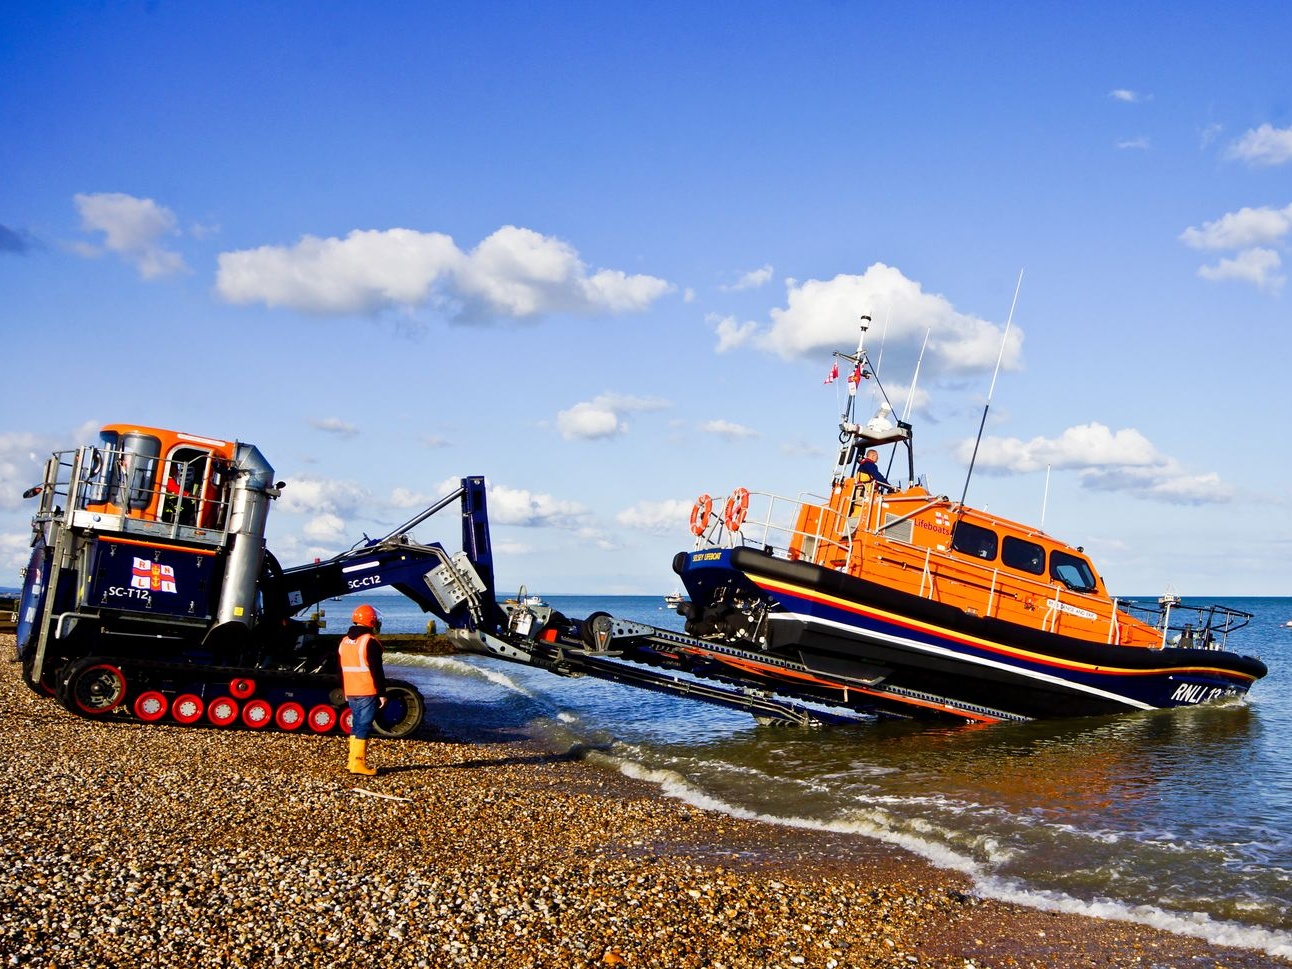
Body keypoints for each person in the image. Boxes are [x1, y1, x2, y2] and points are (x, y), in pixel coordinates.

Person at [338, 603, 387, 776]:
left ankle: (352, 761)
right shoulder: (369, 642)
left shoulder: (345, 641)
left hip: (351, 690)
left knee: (357, 724)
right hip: (367, 690)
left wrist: (344, 690)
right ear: (371, 621)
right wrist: (382, 693)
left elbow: (342, 668)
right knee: (364, 725)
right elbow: (376, 670)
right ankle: (358, 763)